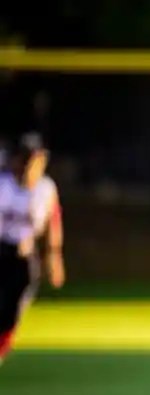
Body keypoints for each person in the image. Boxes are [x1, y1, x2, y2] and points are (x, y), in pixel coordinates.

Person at [0, 132, 64, 363]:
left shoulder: (45, 189)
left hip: (23, 257)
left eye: (35, 159)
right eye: (25, 158)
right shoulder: (3, 185)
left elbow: (53, 224)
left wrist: (54, 258)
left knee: (11, 314)